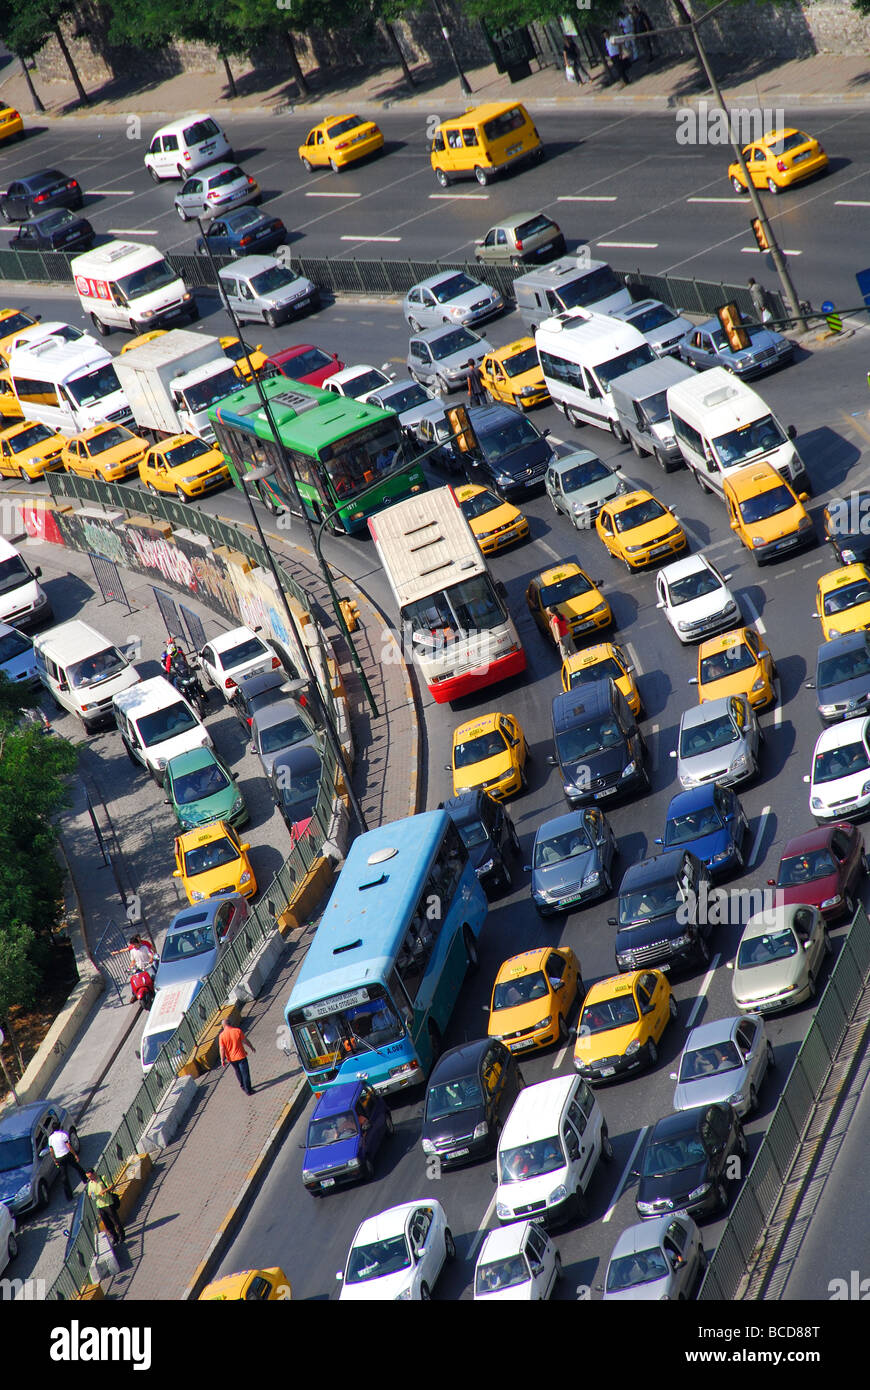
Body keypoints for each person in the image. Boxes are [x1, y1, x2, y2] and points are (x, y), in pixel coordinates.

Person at [48, 1121, 88, 1201]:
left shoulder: (50, 1138)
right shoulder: (63, 1135)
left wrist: (54, 1160)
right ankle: (85, 1179)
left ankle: (69, 1196)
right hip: (67, 1154)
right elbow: (68, 1146)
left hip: (59, 1158)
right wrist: (75, 1155)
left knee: (64, 1176)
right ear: (60, 1127)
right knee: (77, 1167)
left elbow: (51, 1151)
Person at [86, 1170, 125, 1247]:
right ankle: (115, 1237)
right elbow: (92, 1196)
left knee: (115, 1221)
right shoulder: (90, 1184)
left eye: (91, 1176)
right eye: (88, 1177)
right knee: (108, 1224)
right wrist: (91, 1195)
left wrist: (104, 1191)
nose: (90, 1178)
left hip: (108, 1203)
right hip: (100, 1206)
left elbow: (111, 1186)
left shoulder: (102, 1178)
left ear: (95, 1173)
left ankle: (121, 1236)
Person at [219, 1016, 257, 1095]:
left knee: (238, 1072)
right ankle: (248, 1090)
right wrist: (251, 1047)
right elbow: (245, 1041)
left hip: (231, 1058)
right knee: (245, 1073)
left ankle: (243, 1086)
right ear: (230, 1024)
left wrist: (222, 1059)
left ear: (223, 1026)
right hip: (241, 1056)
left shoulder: (221, 1036)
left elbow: (222, 1049)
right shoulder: (237, 1031)